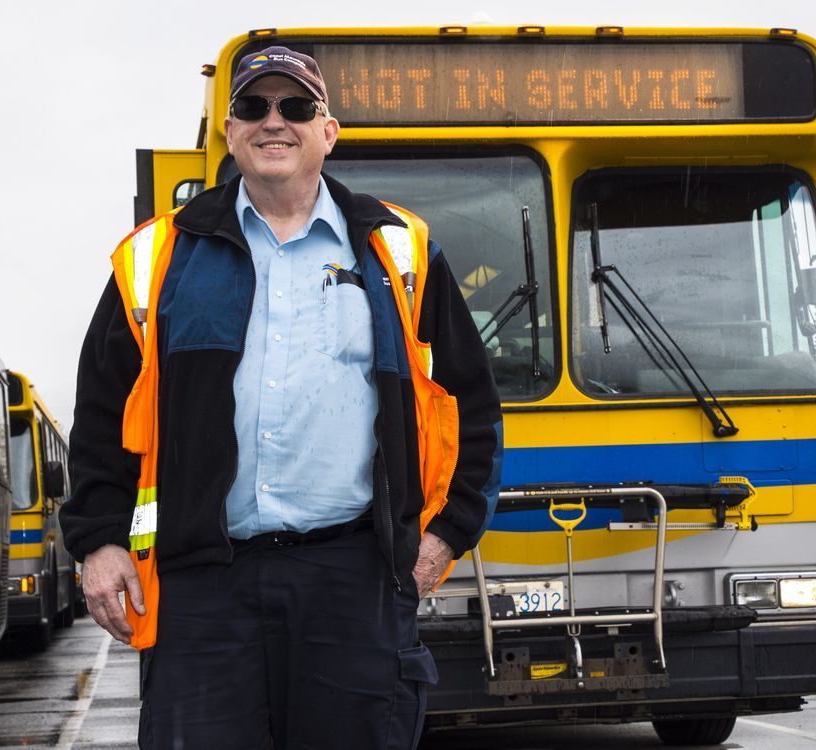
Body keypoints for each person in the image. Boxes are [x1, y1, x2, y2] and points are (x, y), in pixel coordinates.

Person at [61, 46, 502, 749]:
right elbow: (103, 414)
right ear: (230, 131)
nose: (275, 122)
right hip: (202, 588)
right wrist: (100, 540)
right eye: (254, 107)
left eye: (297, 107)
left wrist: (450, 530)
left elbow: (473, 405)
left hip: (352, 581)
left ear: (328, 131)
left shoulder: (401, 251)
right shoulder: (156, 257)